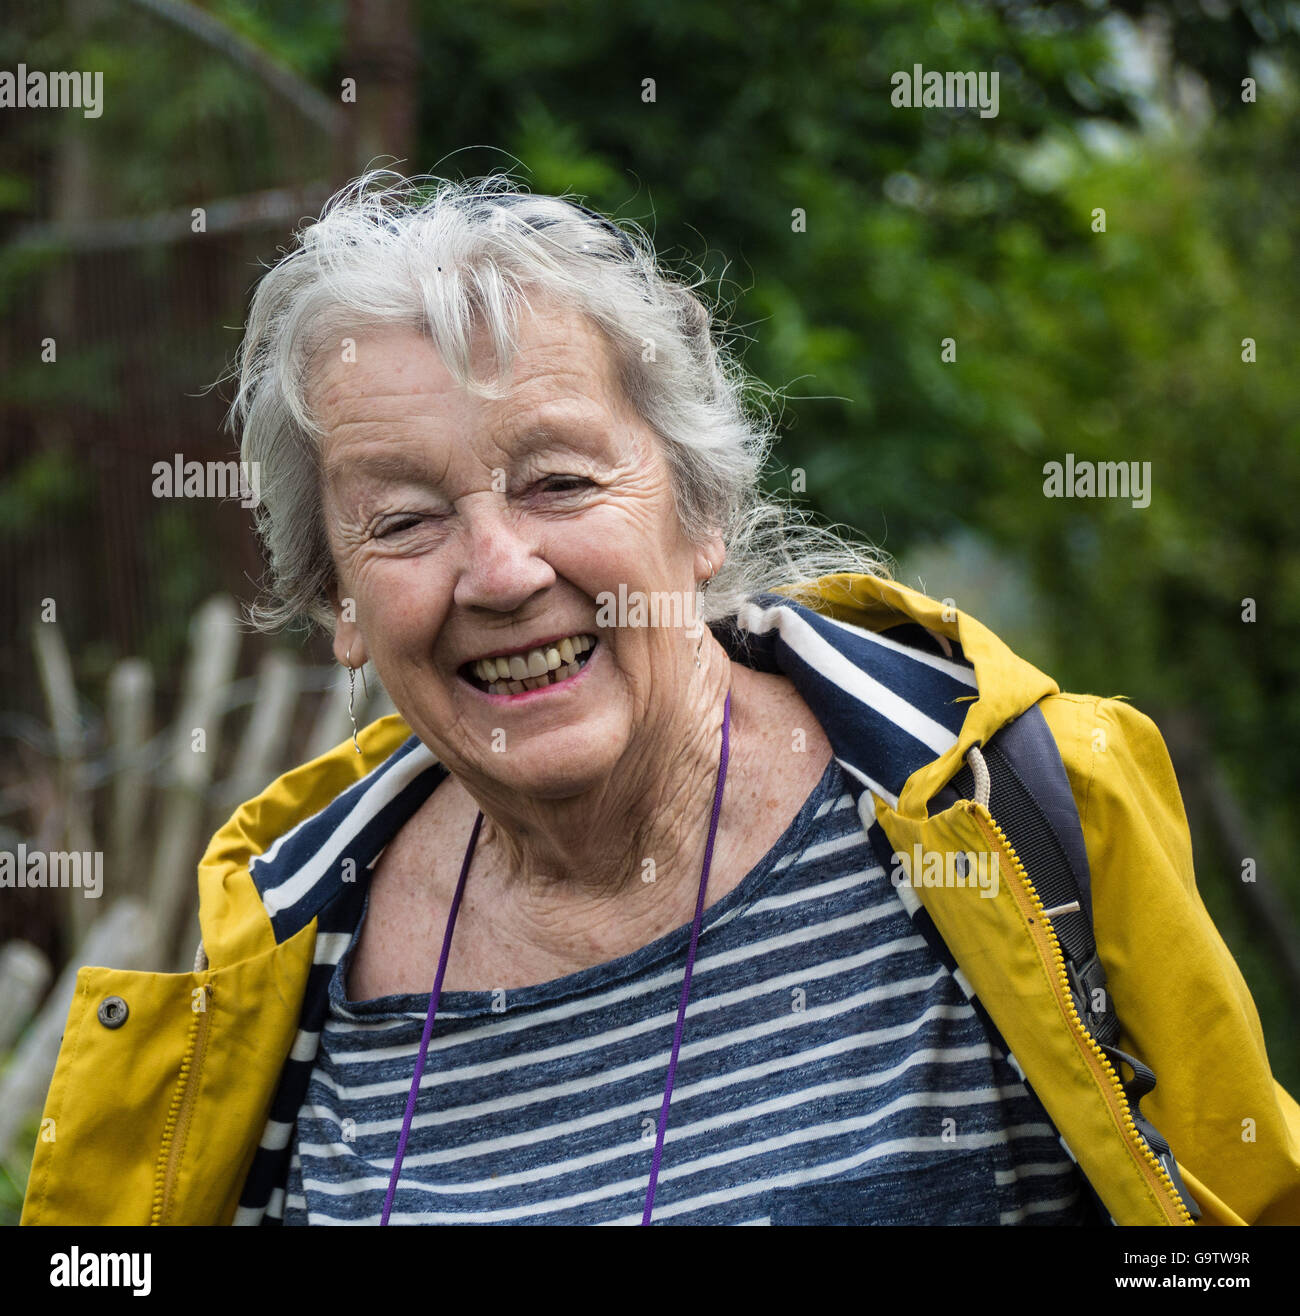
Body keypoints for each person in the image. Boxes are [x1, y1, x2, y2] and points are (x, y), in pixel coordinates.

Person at [22, 172, 1300, 1226]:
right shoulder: (273, 971)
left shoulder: (1011, 814)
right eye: (405, 520)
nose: (503, 571)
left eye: (561, 482)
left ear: (698, 513)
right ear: (341, 605)